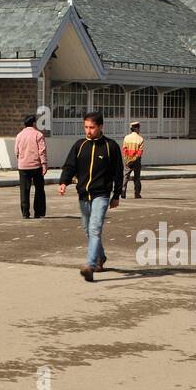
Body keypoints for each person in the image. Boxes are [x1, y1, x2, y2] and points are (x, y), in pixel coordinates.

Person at [59, 112, 124, 282]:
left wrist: (116, 195)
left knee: (95, 229)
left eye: (92, 127)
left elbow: (118, 173)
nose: (88, 131)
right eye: (86, 127)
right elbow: (70, 166)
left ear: (101, 127)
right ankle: (100, 257)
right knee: (88, 230)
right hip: (83, 194)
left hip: (101, 194)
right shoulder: (80, 145)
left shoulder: (111, 146)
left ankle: (90, 265)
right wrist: (64, 182)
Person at [15, 114, 48, 220]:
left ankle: (25, 213)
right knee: (39, 189)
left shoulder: (19, 135)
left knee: (24, 190)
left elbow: (16, 151)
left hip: (23, 166)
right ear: (34, 123)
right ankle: (38, 212)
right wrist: (44, 164)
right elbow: (42, 151)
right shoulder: (38, 135)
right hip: (36, 166)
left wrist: (21, 159)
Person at [122, 121, 145, 198]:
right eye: (139, 128)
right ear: (137, 128)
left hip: (128, 160)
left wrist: (127, 158)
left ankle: (123, 191)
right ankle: (137, 193)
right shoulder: (140, 139)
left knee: (125, 176)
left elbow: (124, 149)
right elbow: (140, 152)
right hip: (136, 161)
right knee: (137, 177)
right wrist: (135, 158)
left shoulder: (126, 138)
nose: (139, 130)